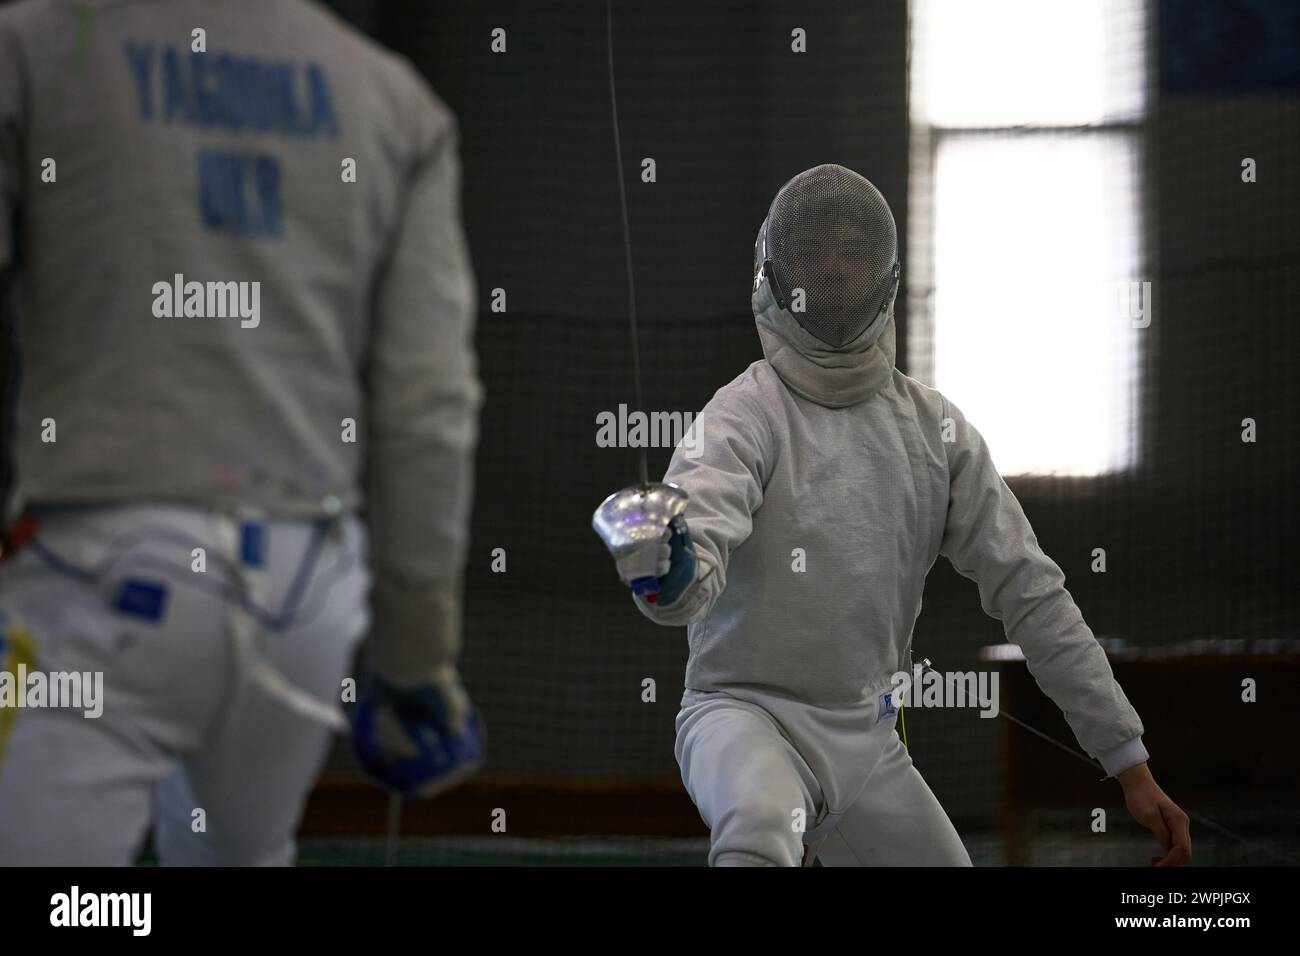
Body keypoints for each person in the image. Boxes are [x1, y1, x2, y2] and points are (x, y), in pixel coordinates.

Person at [0, 0, 482, 865]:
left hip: (93, 573)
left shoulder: (34, 46)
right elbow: (429, 405)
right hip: (304, 597)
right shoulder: (393, 100)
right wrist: (415, 658)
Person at [608, 164, 1191, 867]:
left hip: (867, 745)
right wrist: (664, 568)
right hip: (742, 717)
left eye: (851, 251)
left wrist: (1127, 761)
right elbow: (688, 579)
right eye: (813, 252)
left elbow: (1033, 594)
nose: (831, 269)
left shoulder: (934, 432)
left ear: (882, 275)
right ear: (777, 272)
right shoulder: (743, 416)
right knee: (761, 826)